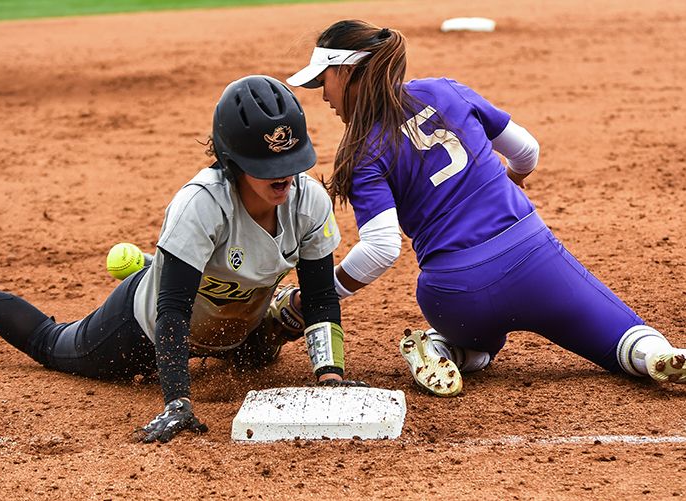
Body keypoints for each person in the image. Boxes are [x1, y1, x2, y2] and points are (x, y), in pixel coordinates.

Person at [0, 75, 367, 444]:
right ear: (231, 160)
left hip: (233, 326)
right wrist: (177, 402)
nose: (284, 175)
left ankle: (260, 306)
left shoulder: (308, 202)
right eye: (267, 166)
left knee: (261, 360)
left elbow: (320, 296)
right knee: (51, 344)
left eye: (291, 160)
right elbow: (171, 310)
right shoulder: (202, 204)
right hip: (146, 325)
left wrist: (330, 377)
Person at [285, 20, 686, 394]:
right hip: (534, 264)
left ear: (348, 72)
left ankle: (444, 349)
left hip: (453, 295)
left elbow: (382, 248)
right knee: (622, 337)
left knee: (477, 345)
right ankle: (654, 355)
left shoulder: (360, 153)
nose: (324, 95)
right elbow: (527, 150)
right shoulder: (444, 91)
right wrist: (513, 177)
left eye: (324, 81)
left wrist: (321, 294)